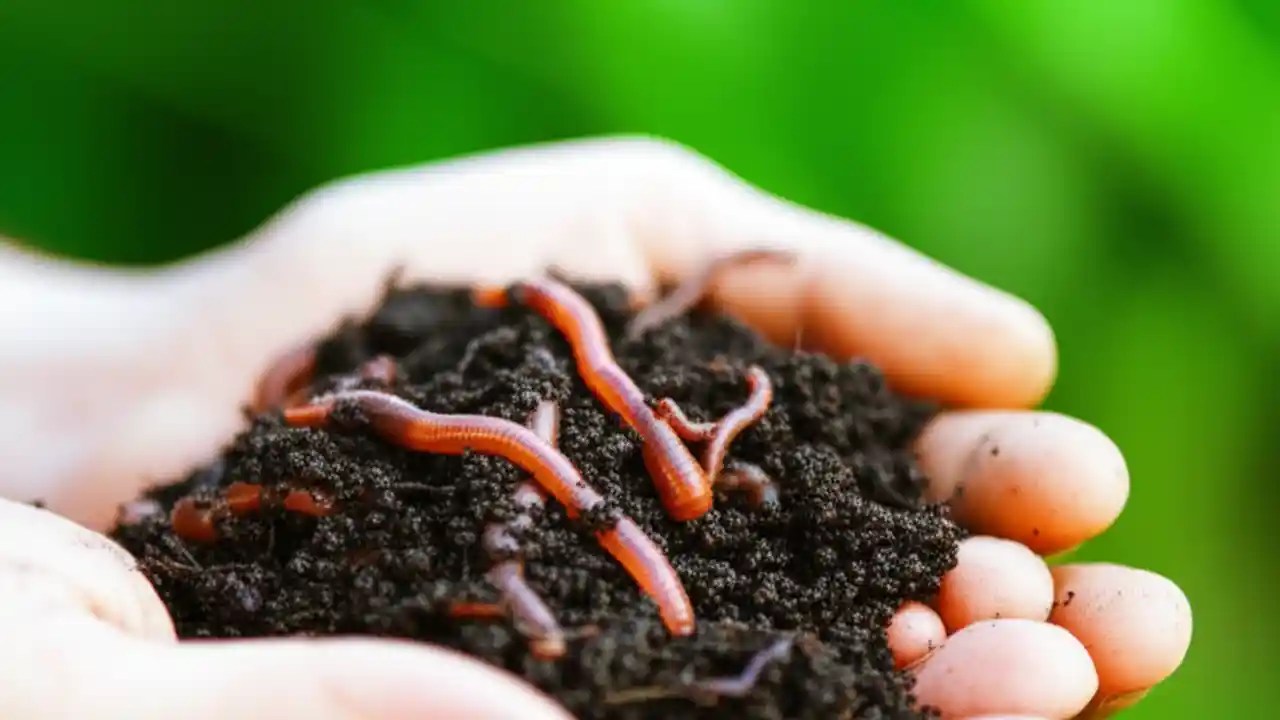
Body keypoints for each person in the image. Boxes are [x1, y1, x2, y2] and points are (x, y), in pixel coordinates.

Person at [0, 138, 1190, 719]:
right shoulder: (433, 421)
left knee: (586, 459)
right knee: (548, 457)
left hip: (581, 463)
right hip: (518, 445)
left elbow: (634, 460)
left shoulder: (640, 437)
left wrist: (50, 361)